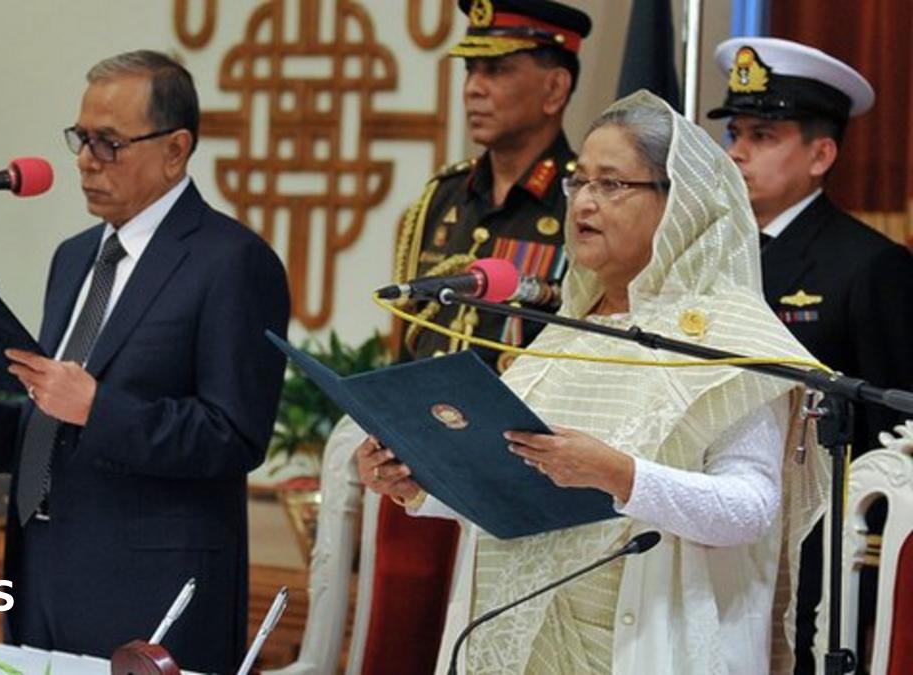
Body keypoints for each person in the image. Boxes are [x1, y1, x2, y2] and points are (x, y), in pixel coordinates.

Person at [358, 91, 829, 674]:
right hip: (522, 635)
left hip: (649, 642)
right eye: (579, 182)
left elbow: (752, 508)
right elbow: (509, 484)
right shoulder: (561, 334)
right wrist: (416, 485)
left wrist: (620, 475)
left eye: (612, 184)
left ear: (679, 203)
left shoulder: (732, 336)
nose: (584, 201)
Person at [0, 50, 289, 673]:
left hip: (152, 587)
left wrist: (97, 407)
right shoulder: (74, 257)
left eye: (109, 143)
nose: (86, 160)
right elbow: (54, 417)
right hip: (40, 566)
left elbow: (235, 436)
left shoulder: (232, 262)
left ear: (175, 149)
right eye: (81, 138)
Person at [340, 2, 593, 670]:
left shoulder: (581, 208)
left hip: (518, 484)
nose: (474, 86)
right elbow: (409, 344)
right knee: (401, 650)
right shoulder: (441, 198)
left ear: (554, 87)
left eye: (497, 69)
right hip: (421, 475)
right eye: (470, 69)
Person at [707, 37, 913, 672]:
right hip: (712, 531)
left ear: (822, 153)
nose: (737, 151)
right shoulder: (708, 258)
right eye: (735, 132)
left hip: (817, 553)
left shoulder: (869, 266)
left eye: (763, 135)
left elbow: (892, 438)